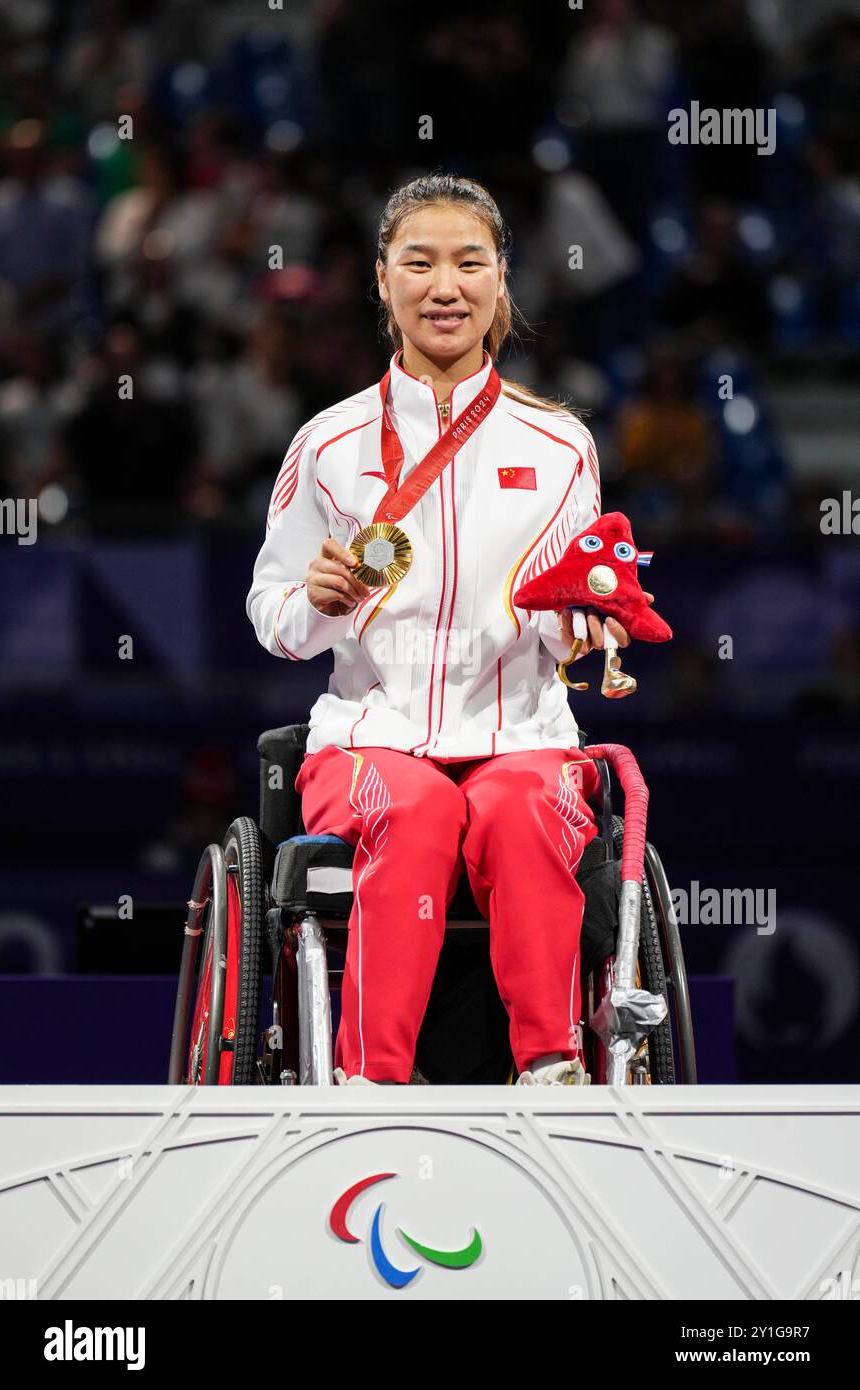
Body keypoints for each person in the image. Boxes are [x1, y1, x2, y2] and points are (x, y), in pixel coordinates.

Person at [246, 173, 642, 1087]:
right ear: (383, 284)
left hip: (519, 737)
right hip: (370, 742)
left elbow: (562, 619)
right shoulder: (330, 444)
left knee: (528, 809)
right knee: (416, 809)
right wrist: (317, 600)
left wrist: (582, 622)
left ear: (502, 282)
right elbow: (274, 620)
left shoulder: (559, 447)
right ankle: (372, 1084)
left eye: (470, 263)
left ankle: (550, 1066)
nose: (445, 286)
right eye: (417, 263)